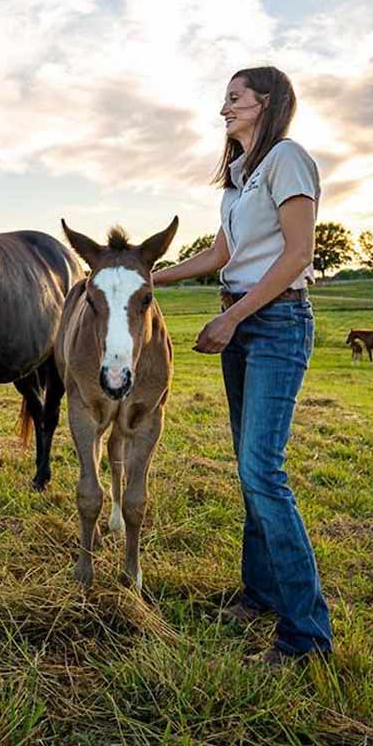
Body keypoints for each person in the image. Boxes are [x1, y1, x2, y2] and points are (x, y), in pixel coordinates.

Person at [152, 65, 333, 664]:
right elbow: (220, 255)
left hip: (277, 320)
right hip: (242, 317)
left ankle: (306, 636)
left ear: (268, 102)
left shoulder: (288, 159)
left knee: (264, 470)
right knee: (248, 466)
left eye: (235, 98)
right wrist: (147, 277)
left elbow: (298, 254)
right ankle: (257, 594)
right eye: (225, 99)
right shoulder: (238, 179)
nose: (224, 107)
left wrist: (232, 319)